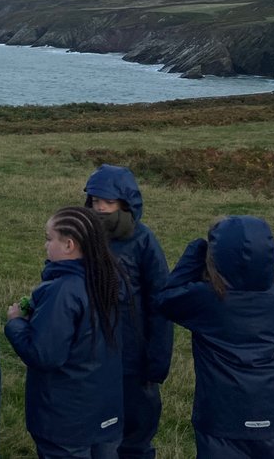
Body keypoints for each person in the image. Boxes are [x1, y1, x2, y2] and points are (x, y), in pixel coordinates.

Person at [6, 206, 124, 459]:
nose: (45, 246)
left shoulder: (63, 292)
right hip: (104, 409)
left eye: (49, 239)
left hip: (66, 420)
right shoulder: (107, 280)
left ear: (69, 245)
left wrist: (16, 323)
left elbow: (44, 354)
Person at [156, 216, 274, 458]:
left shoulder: (208, 299)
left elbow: (165, 299)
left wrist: (196, 250)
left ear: (217, 259)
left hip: (221, 418)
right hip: (271, 414)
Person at [84, 164, 173, 459]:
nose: (100, 208)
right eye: (95, 200)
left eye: (108, 202)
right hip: (92, 350)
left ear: (125, 203)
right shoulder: (84, 237)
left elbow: (161, 302)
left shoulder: (144, 241)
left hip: (134, 353)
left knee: (137, 426)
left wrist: (157, 359)